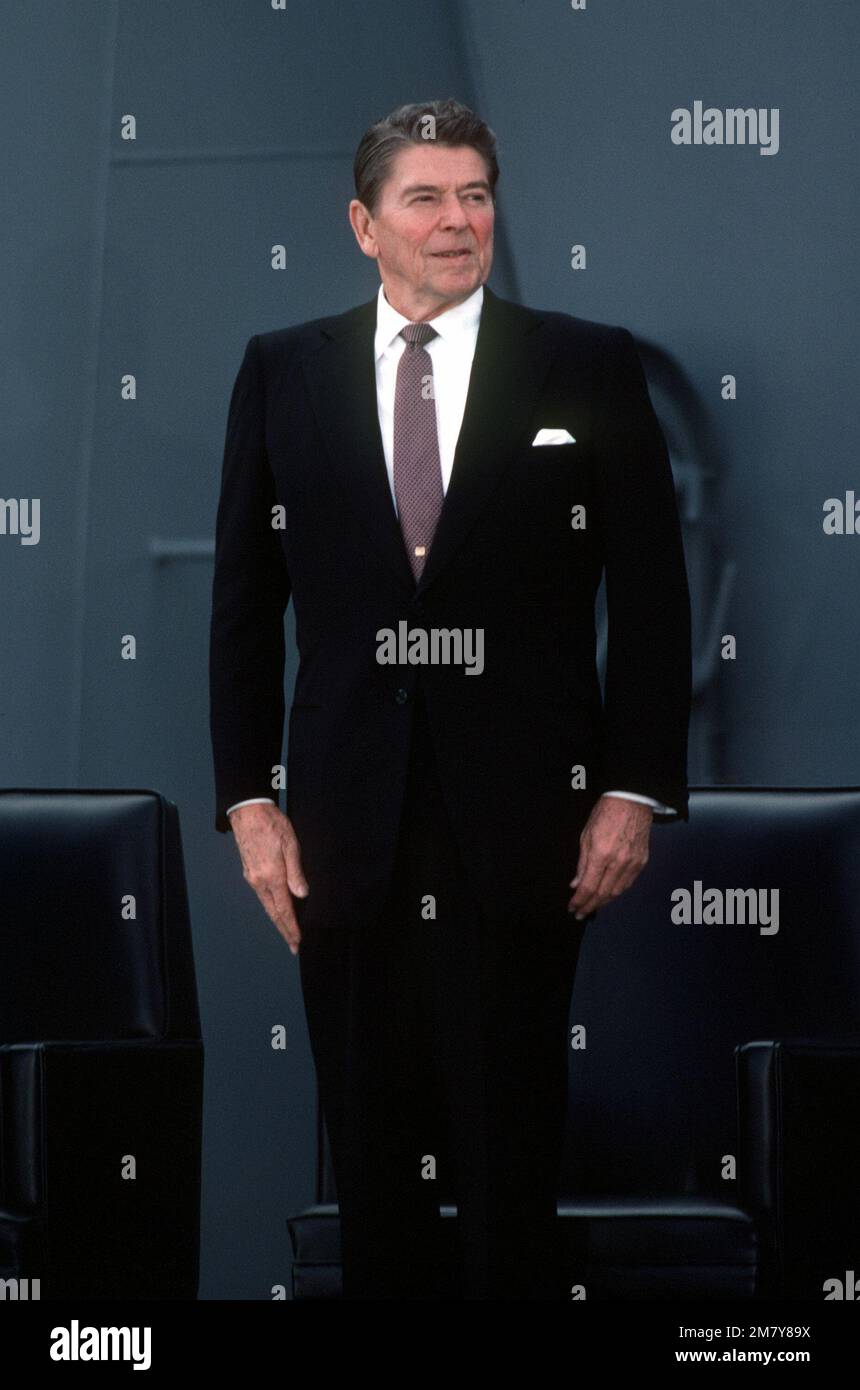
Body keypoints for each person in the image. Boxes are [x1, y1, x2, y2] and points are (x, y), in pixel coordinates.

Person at [209, 98, 692, 1300]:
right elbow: (238, 607)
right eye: (424, 197)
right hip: (341, 822)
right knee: (369, 1162)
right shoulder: (282, 370)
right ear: (363, 224)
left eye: (474, 193)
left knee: (506, 1159)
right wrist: (244, 802)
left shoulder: (583, 359)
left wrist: (631, 786)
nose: (456, 219)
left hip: (526, 816)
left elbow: (649, 598)